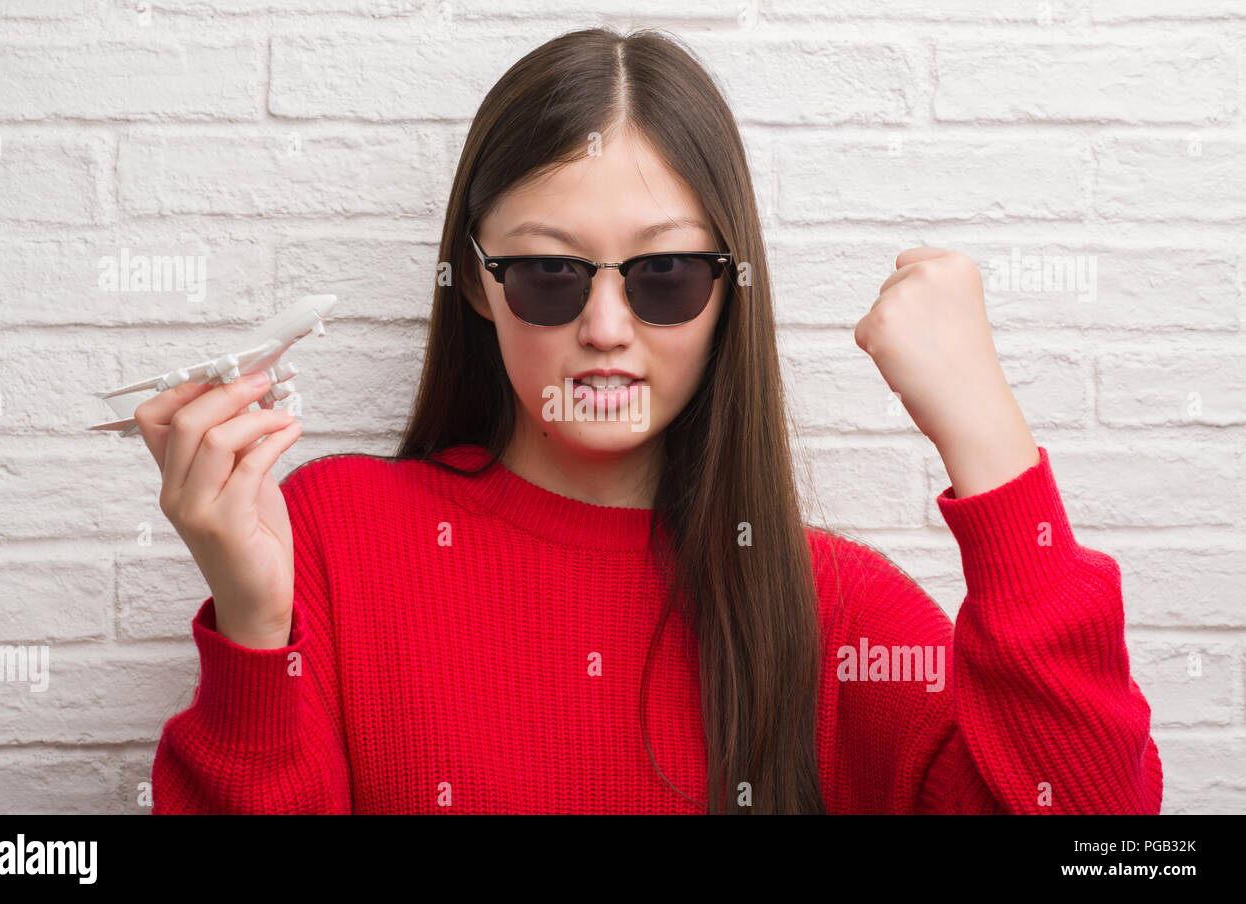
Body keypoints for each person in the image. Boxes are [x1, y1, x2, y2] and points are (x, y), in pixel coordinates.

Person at [142, 26, 1162, 814]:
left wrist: (990, 445)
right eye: (548, 273)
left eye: (664, 275)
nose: (604, 327)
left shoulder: (834, 611)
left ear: (728, 289)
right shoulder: (327, 536)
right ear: (477, 287)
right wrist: (254, 633)